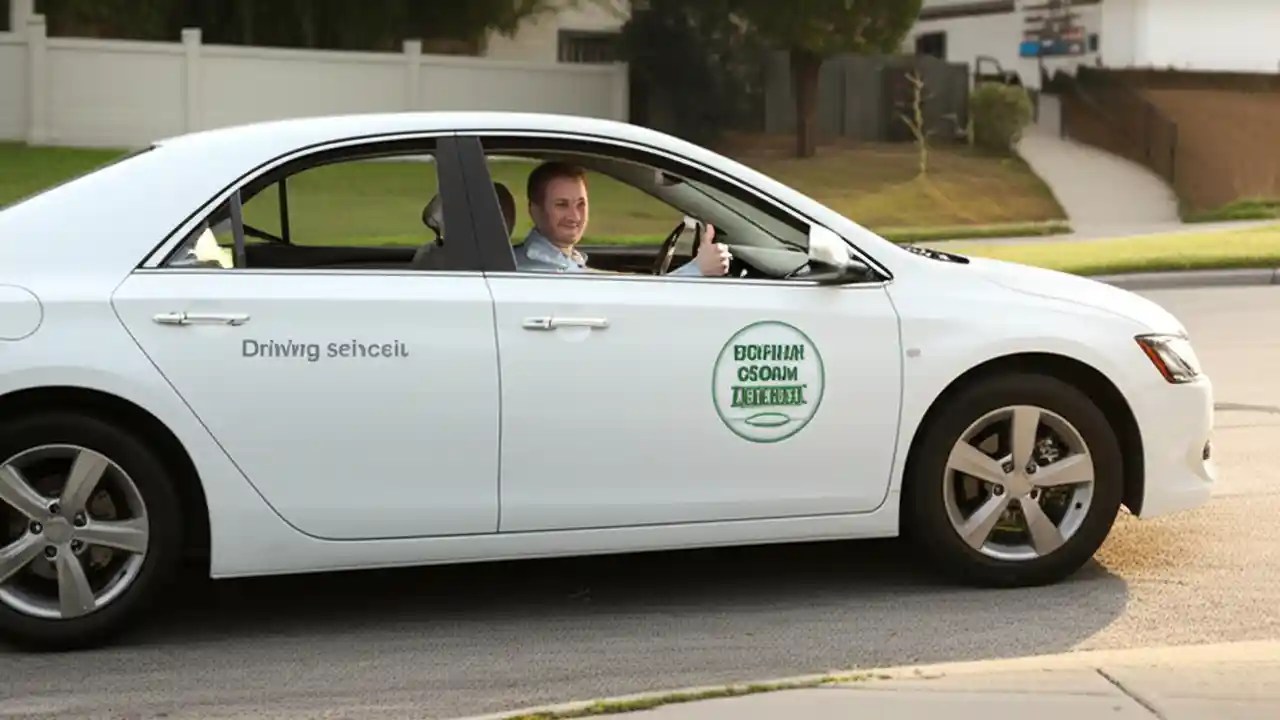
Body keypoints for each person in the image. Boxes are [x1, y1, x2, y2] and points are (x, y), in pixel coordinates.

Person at [513, 161, 732, 277]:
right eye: (562, 205)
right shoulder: (533, 267)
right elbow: (632, 300)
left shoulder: (560, 258)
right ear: (535, 210)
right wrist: (697, 270)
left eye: (581, 204)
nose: (575, 216)